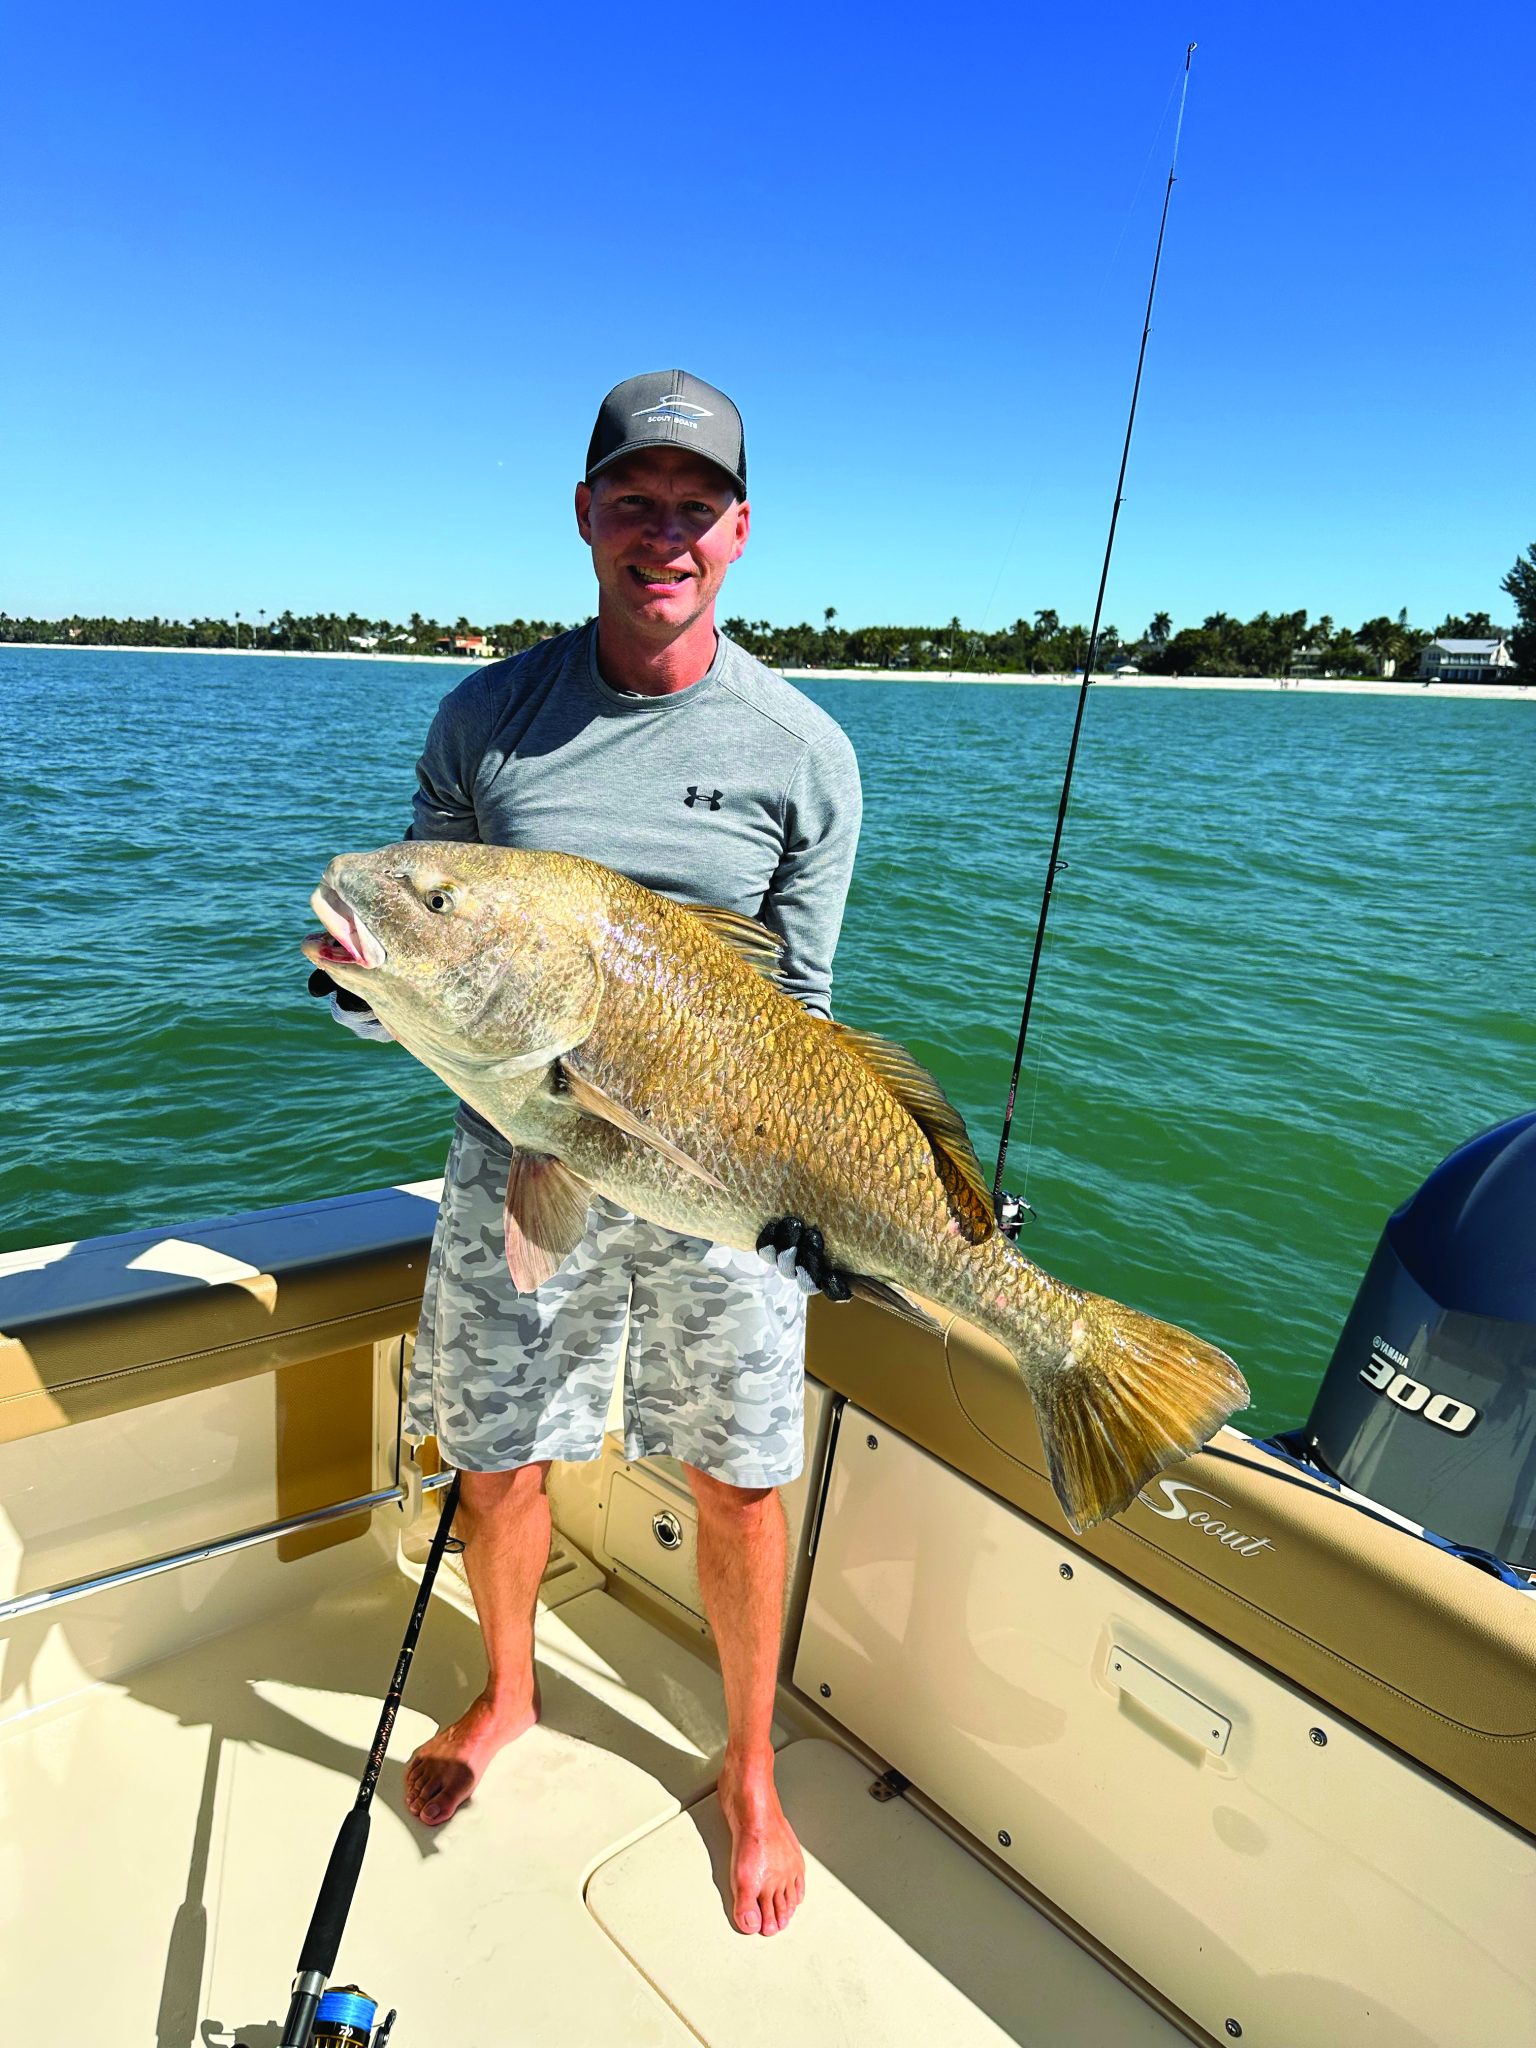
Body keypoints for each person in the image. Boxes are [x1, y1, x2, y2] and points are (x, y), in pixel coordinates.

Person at [318, 370, 861, 1938]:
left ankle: (751, 1770)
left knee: (744, 1483)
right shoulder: (487, 721)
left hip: (723, 1170)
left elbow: (803, 1015)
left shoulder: (804, 753)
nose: (664, 533)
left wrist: (806, 1202)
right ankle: (510, 1694)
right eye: (636, 501)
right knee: (496, 1452)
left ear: (740, 533)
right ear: (586, 515)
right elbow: (424, 965)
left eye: (696, 508)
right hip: (521, 1138)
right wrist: (359, 997)